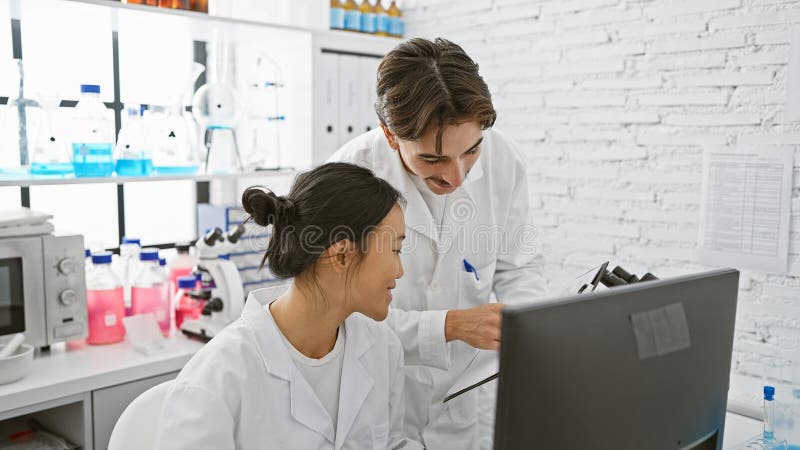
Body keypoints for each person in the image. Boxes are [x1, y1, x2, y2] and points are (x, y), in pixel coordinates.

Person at [329, 38, 546, 449]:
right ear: (391, 137)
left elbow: (518, 267)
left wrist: (526, 327)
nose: (459, 176)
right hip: (373, 407)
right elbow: (334, 313)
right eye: (433, 159)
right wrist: (450, 326)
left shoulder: (505, 161)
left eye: (472, 150)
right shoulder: (347, 174)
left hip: (460, 408)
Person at [155, 162, 422, 450]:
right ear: (342, 255)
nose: (399, 271)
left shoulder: (382, 348)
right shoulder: (216, 379)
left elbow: (390, 442)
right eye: (395, 250)